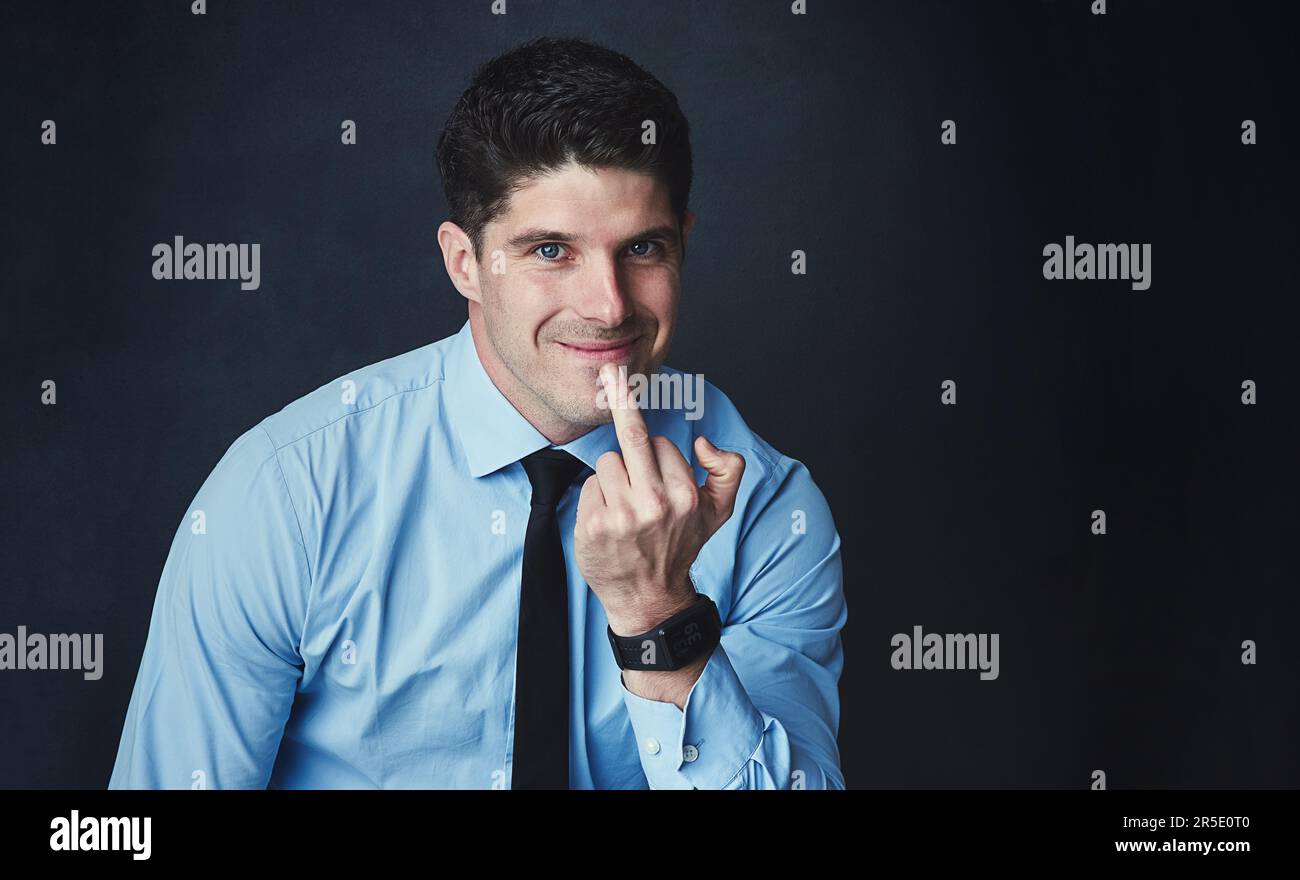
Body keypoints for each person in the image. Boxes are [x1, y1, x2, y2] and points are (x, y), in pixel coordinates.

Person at [109, 36, 846, 790]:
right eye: (551, 251)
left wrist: (659, 615)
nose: (608, 305)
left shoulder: (764, 506)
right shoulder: (287, 493)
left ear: (682, 246)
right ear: (465, 262)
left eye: (642, 248)